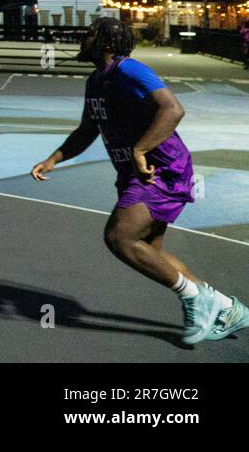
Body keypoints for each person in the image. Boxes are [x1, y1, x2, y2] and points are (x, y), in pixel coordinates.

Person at [31, 17, 246, 344]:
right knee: (148, 250)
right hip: (134, 172)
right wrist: (54, 159)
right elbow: (88, 129)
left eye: (89, 34)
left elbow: (172, 109)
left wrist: (141, 149)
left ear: (105, 43)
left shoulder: (129, 70)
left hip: (161, 168)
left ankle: (195, 299)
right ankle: (227, 308)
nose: (82, 39)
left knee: (119, 237)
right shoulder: (96, 81)